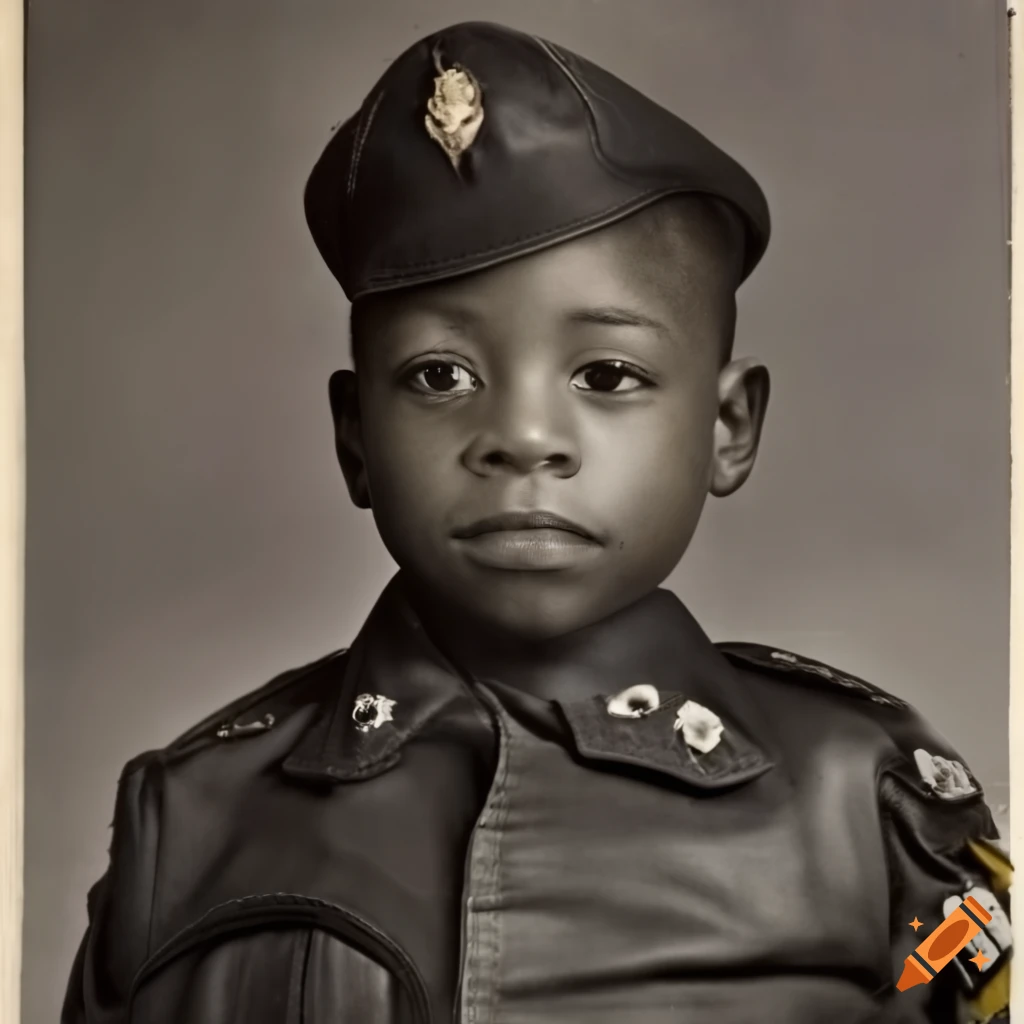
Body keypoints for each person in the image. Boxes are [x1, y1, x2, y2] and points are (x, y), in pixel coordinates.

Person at [61, 20, 1010, 1024]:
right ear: (354, 437)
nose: (519, 437)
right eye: (438, 376)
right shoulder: (198, 815)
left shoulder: (861, 802)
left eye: (606, 376)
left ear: (728, 426)